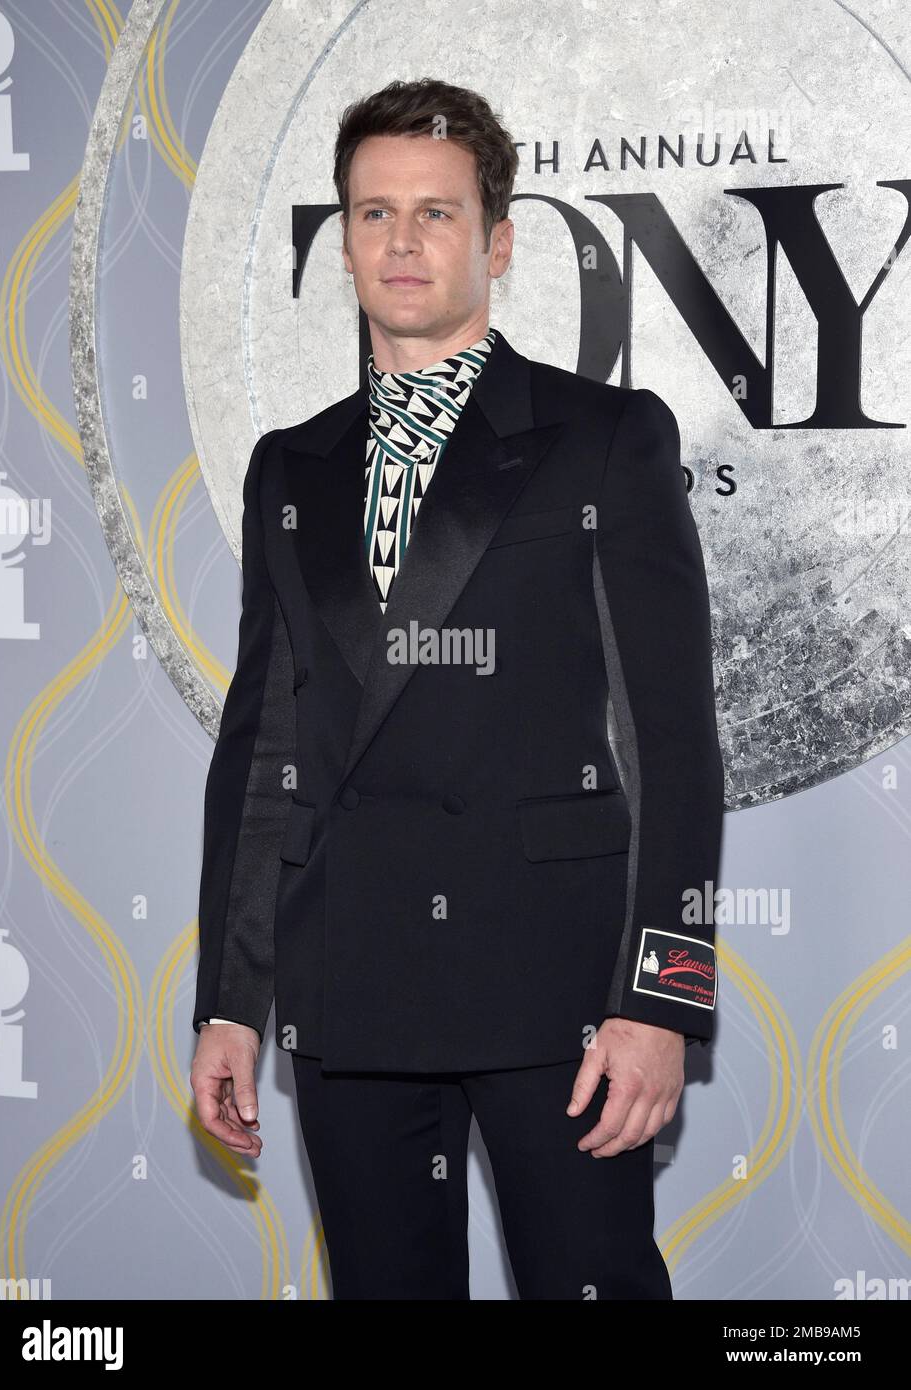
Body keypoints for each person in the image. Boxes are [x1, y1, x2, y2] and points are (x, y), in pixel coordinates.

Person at [189, 77, 724, 1300]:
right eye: (374, 214)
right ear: (346, 243)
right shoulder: (293, 464)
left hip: (562, 994)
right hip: (354, 982)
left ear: (498, 240)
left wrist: (662, 1001)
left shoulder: (605, 438)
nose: (402, 241)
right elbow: (266, 744)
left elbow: (675, 747)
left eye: (435, 212)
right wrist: (229, 1000)